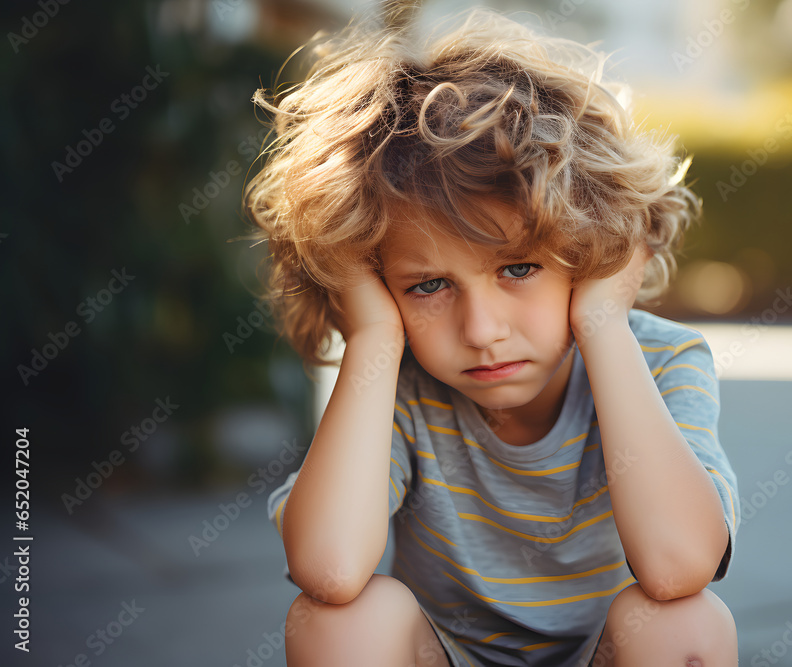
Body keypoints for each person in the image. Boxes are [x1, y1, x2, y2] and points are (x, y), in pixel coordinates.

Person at [245, 4, 739, 665]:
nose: (480, 331)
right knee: (336, 620)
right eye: (427, 285)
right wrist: (371, 338)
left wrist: (602, 325)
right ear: (375, 284)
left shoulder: (664, 361)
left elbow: (680, 565)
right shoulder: (395, 383)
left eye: (519, 268)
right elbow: (329, 568)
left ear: (590, 253)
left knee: (684, 623)